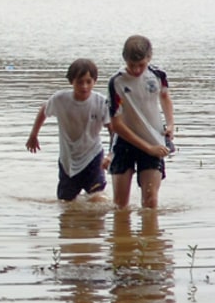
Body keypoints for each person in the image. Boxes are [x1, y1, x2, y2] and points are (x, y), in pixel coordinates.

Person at [26, 58, 110, 202]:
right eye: (80, 82)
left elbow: (113, 129)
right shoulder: (60, 99)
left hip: (93, 156)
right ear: (71, 82)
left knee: (97, 199)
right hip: (68, 160)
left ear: (95, 81)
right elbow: (44, 110)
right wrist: (33, 135)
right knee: (66, 203)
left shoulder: (101, 102)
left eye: (88, 82)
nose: (84, 86)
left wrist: (110, 154)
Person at [107, 35, 174, 209]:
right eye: (132, 65)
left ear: (149, 58)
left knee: (150, 202)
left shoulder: (158, 75)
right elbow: (116, 124)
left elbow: (165, 97)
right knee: (121, 205)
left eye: (141, 65)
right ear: (125, 59)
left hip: (154, 139)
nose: (136, 70)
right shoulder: (117, 82)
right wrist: (147, 148)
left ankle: (151, 235)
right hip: (124, 143)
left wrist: (170, 124)